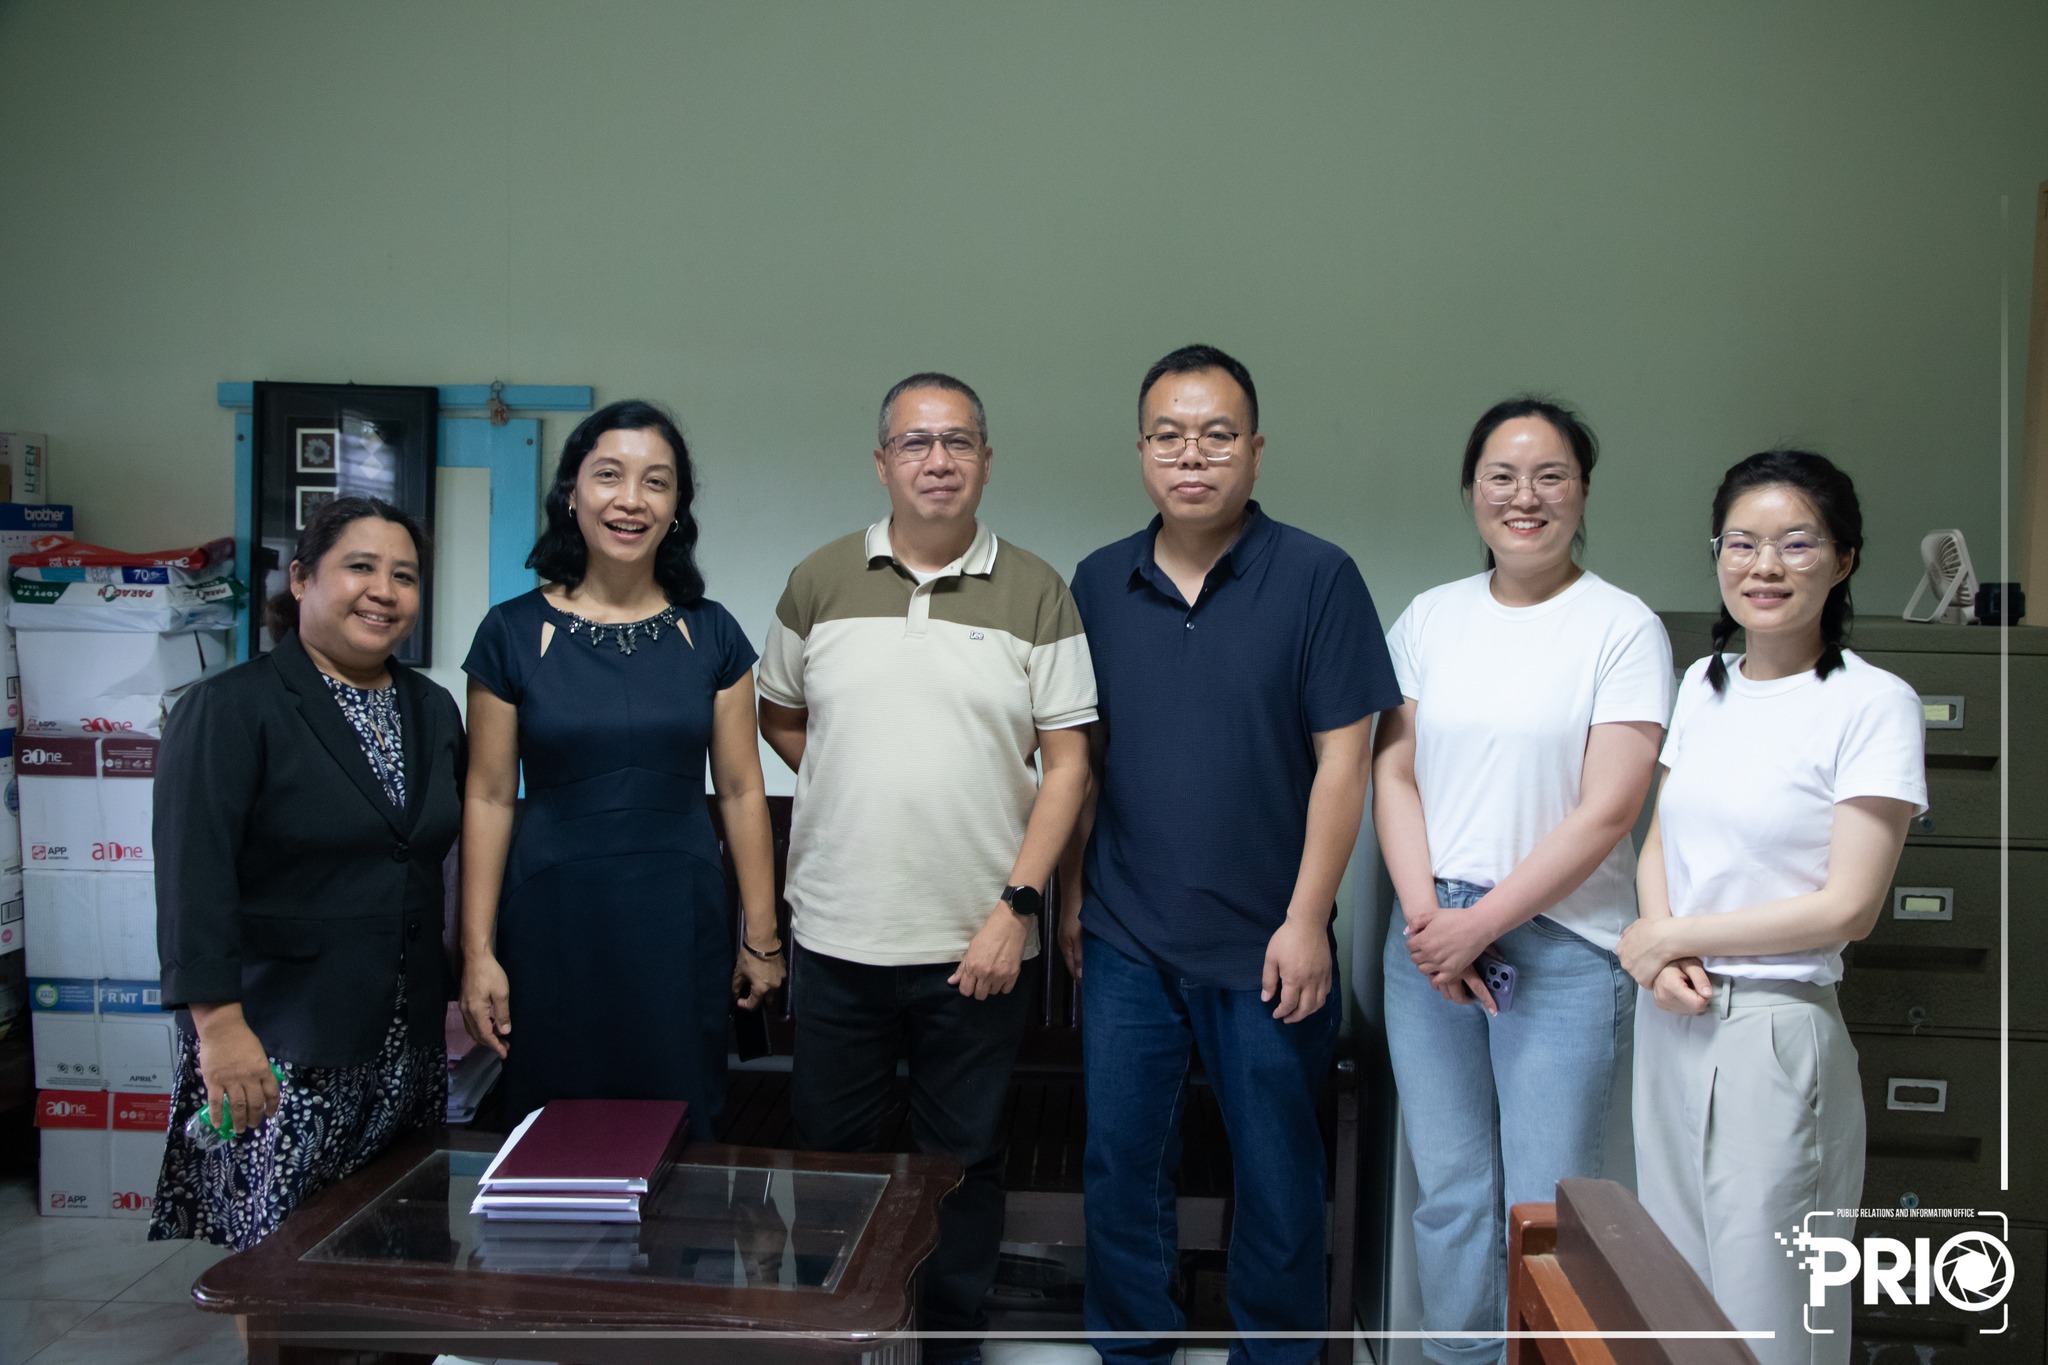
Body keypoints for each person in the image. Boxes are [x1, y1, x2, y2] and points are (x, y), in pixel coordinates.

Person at [1060, 344, 1400, 1364]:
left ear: (1254, 451)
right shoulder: (1097, 581)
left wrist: (1305, 922)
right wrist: (1076, 894)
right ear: (1140, 453)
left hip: (1267, 945)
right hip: (1126, 936)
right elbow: (1083, 755)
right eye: (1168, 436)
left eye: (1215, 436)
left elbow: (1345, 765)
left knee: (1279, 1179)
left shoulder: (1317, 577)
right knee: (1121, 1165)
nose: (1190, 456)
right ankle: (1131, 1352)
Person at [757, 372, 1096, 1364]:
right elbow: (779, 713)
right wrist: (851, 780)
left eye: (957, 442)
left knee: (964, 1168)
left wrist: (1015, 910)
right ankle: (841, 1341)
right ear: (881, 462)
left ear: (986, 461)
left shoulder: (1037, 590)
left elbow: (1068, 763)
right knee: (832, 1169)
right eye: (914, 443)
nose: (936, 460)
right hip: (836, 932)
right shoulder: (817, 579)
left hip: (975, 940)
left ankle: (949, 1349)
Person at [1370, 397, 1672, 1363]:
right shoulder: (1429, 617)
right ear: (1472, 492)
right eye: (1502, 476)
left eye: (1550, 476)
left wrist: (1480, 925)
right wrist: (1429, 920)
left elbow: (1608, 809)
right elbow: (1394, 772)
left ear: (1583, 492)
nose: (1524, 496)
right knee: (1450, 1189)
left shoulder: (1621, 627)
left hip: (1560, 948)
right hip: (1429, 937)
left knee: (1548, 1207)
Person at [1620, 451, 1923, 1365]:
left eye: (1797, 543)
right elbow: (1663, 839)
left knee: (1775, 1321)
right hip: (1674, 1017)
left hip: (1777, 1035)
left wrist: (1669, 935)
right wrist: (1663, 956)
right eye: (1742, 543)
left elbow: (1849, 906)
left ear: (1844, 559)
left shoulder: (1874, 704)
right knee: (1674, 1303)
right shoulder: (1702, 684)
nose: (1766, 565)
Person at [458, 400, 781, 1134]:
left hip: (678, 916)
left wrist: (761, 935)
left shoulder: (713, 632)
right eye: (609, 475)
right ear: (572, 492)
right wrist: (476, 952)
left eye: (656, 482)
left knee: (677, 1122)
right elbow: (486, 797)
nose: (631, 499)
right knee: (551, 1129)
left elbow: (739, 788)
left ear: (677, 508)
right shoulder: (510, 632)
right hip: (551, 917)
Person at [151, 498, 464, 1248]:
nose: (384, 591)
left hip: (404, 1039)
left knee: (400, 1241)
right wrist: (218, 1025)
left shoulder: (432, 708)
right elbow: (194, 873)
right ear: (300, 579)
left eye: (405, 575)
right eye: (360, 567)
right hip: (280, 1039)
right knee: (283, 1260)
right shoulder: (230, 707)